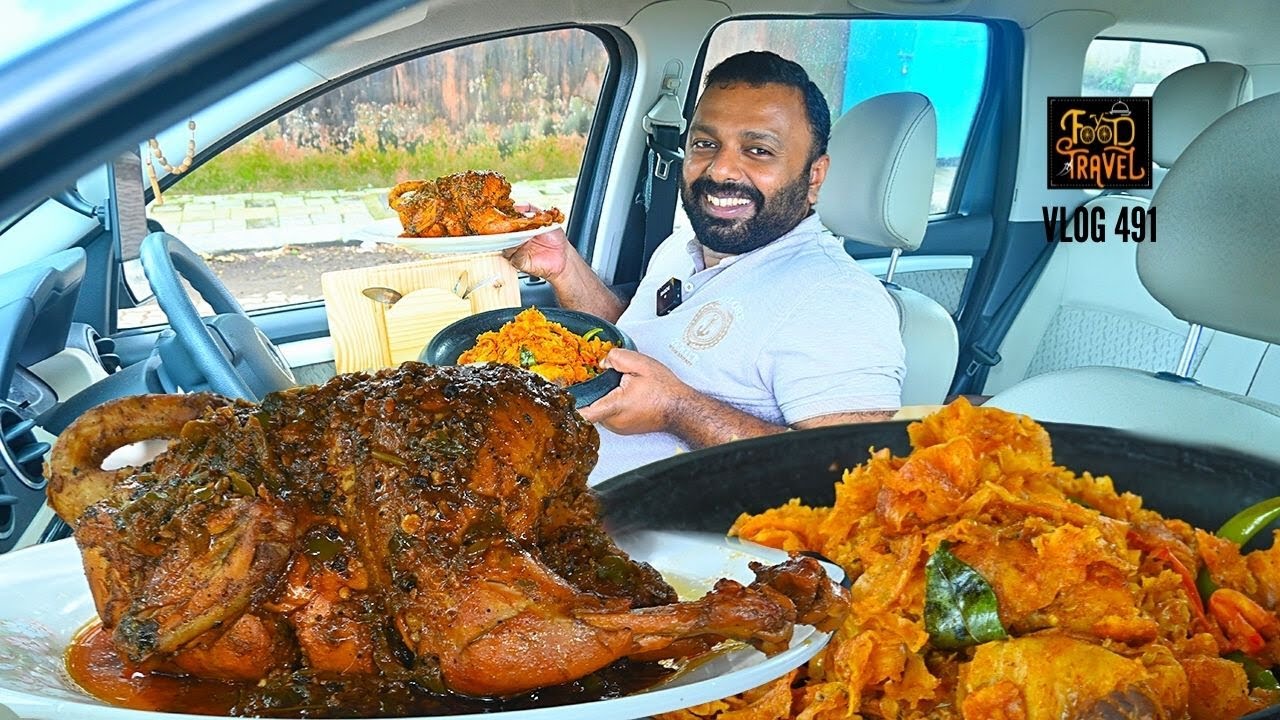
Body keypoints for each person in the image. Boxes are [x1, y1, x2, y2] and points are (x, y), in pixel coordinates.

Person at [505, 51, 905, 482]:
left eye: (758, 150)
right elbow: (637, 344)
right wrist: (564, 267)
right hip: (551, 488)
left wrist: (678, 411)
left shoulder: (839, 298)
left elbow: (847, 479)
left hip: (644, 539)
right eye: (705, 144)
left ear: (814, 177)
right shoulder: (684, 245)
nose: (721, 169)